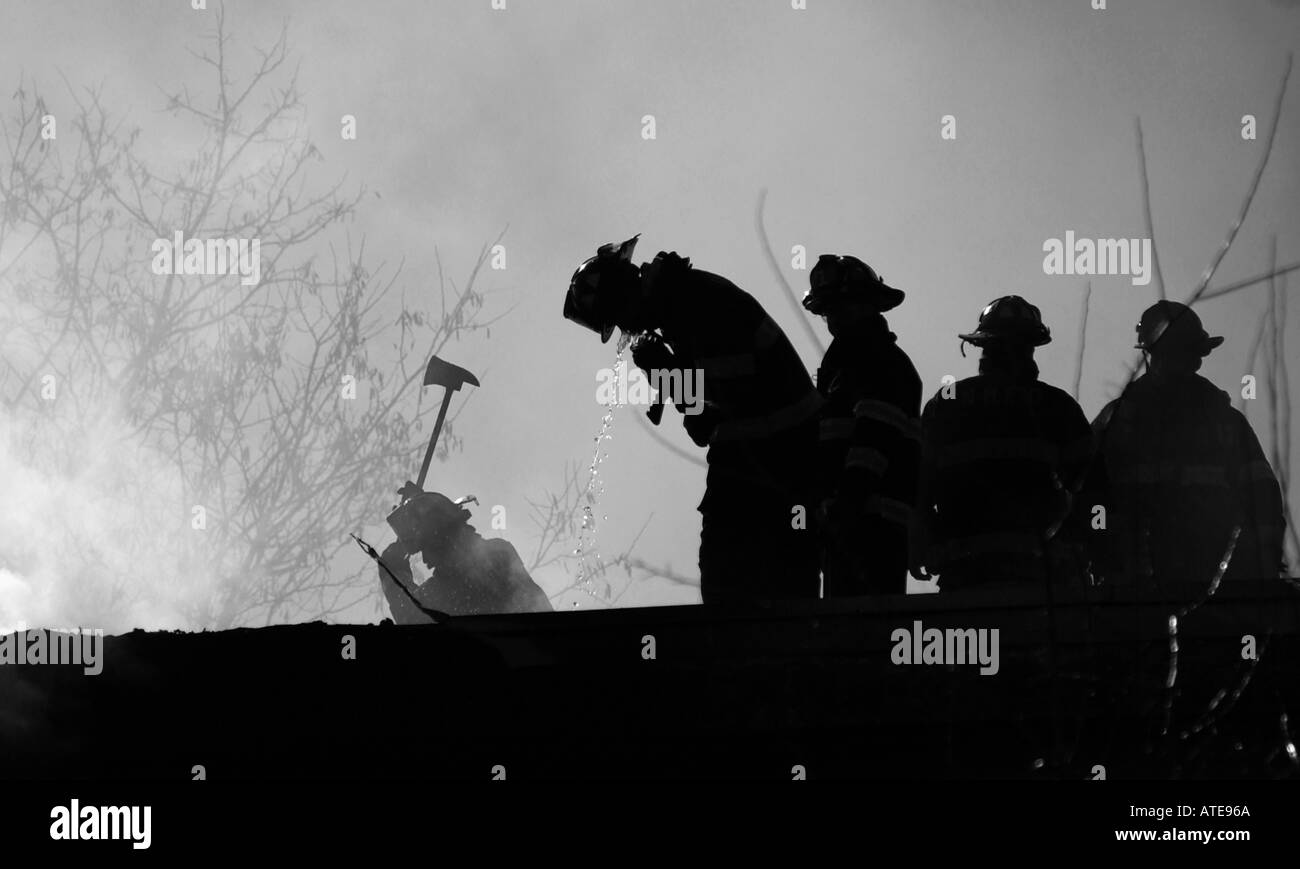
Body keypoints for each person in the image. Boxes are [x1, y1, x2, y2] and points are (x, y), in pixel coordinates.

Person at [563, 235, 823, 604]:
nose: (626, 330)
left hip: (775, 467)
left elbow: (735, 395)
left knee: (737, 591)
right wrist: (669, 375)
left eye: (619, 320)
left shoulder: (698, 303)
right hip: (768, 468)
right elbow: (707, 419)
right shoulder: (681, 306)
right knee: (767, 599)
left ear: (623, 296)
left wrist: (669, 373)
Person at [1090, 300, 1285, 587]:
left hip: (1208, 587)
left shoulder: (1224, 422)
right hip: (1138, 589)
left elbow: (1263, 502)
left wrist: (1259, 574)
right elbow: (1089, 501)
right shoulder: (1118, 421)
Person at [914, 295, 1094, 591]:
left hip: (964, 572)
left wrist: (920, 539)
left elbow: (919, 487)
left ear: (982, 346)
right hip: (1039, 575)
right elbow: (1088, 490)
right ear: (1031, 348)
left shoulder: (947, 403)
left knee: (974, 639)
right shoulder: (1058, 406)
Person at [802, 254, 921, 595]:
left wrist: (845, 507)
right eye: (828, 310)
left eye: (842, 306)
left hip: (875, 529)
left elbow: (873, 441)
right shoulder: (840, 369)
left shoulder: (883, 362)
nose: (834, 319)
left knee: (866, 634)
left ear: (870, 304)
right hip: (844, 526)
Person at [378, 483, 552, 622]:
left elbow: (408, 612)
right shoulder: (500, 553)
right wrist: (422, 505)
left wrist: (391, 569)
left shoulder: (442, 592)